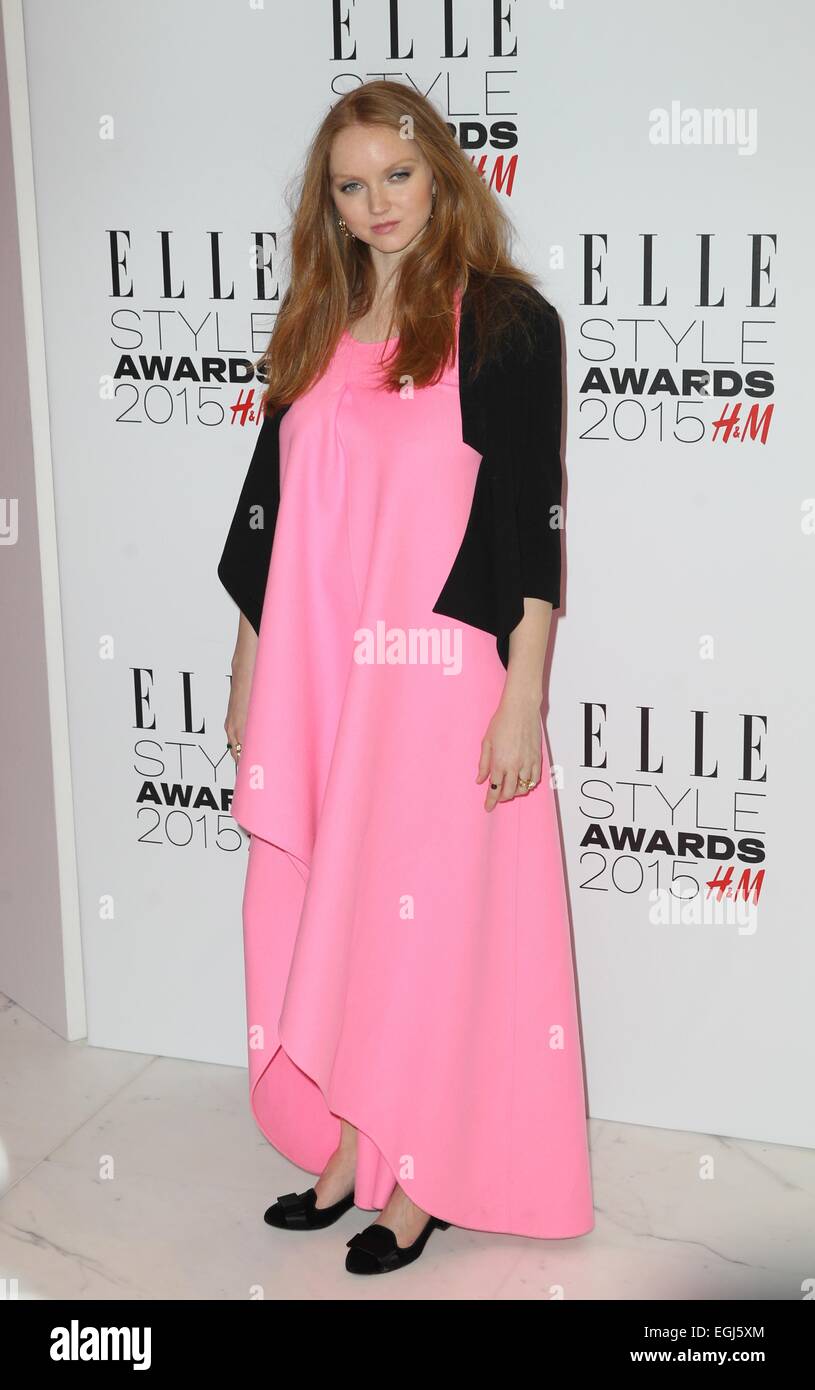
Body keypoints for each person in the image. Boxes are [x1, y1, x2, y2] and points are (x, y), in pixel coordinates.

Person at [218, 79, 594, 1276]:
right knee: (337, 900)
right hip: (321, 679)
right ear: (324, 203)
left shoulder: (504, 323)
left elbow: (531, 526)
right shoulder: (314, 324)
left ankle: (416, 1174)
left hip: (437, 671)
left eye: (394, 174)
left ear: (438, 171)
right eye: (348, 184)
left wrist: (520, 694)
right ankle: (345, 1144)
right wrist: (249, 677)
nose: (375, 203)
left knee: (424, 924)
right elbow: (264, 529)